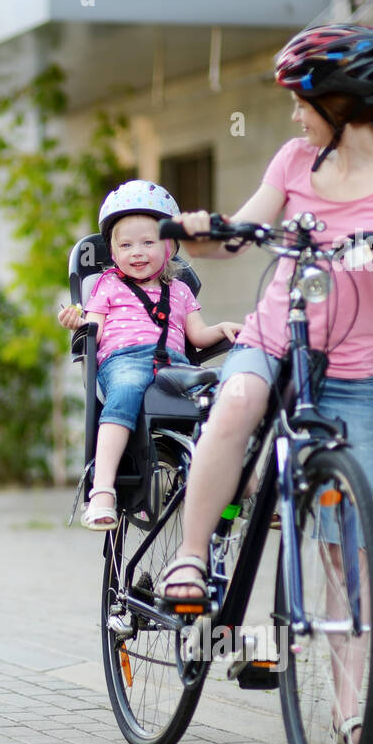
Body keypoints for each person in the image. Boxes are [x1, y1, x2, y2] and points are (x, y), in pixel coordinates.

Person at [160, 24, 373, 744]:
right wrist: (202, 230)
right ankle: (191, 560)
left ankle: (354, 724)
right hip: (269, 345)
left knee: (343, 558)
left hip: (348, 377)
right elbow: (242, 231)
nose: (295, 116)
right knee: (233, 406)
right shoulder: (296, 159)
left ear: (339, 102)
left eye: (302, 101)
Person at [58, 180, 240, 530]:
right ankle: (103, 491)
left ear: (169, 247)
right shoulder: (106, 286)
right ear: (112, 251)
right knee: (125, 392)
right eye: (125, 245)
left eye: (147, 242)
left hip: (175, 366)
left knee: (223, 400)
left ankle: (244, 489)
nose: (136, 252)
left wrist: (224, 329)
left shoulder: (181, 290)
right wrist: (76, 320)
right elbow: (92, 326)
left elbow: (198, 336)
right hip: (122, 362)